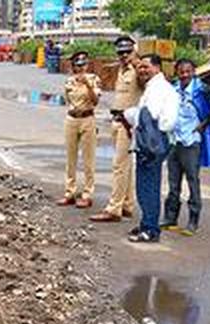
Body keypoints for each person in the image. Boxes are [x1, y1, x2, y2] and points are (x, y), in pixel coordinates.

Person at [161, 58, 210, 236]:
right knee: (173, 182)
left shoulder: (202, 89)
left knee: (192, 182)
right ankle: (170, 218)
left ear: (194, 72)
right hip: (174, 141)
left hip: (192, 141)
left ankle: (193, 221)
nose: (184, 75)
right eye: (181, 72)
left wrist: (206, 123)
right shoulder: (173, 88)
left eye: (188, 71)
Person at [125, 54, 180, 244]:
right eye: (140, 67)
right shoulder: (157, 87)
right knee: (147, 186)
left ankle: (150, 229)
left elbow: (152, 118)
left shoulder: (159, 89)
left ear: (157, 68)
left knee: (147, 187)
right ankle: (147, 223)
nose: (142, 70)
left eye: (146, 66)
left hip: (152, 143)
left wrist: (129, 114)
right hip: (154, 141)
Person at [91, 36, 144, 223]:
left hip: (128, 123)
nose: (124, 56)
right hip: (117, 119)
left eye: (127, 52)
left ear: (134, 51)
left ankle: (114, 208)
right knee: (125, 166)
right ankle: (127, 204)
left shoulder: (138, 69)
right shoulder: (121, 70)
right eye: (121, 53)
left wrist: (138, 64)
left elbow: (147, 84)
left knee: (119, 165)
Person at [57, 51, 102, 210]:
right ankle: (70, 191)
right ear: (73, 66)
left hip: (87, 118)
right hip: (72, 118)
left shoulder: (94, 79)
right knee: (71, 158)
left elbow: (95, 101)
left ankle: (87, 193)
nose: (81, 68)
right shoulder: (69, 81)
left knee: (88, 159)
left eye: (83, 65)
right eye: (78, 65)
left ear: (87, 65)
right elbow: (67, 100)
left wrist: (87, 85)